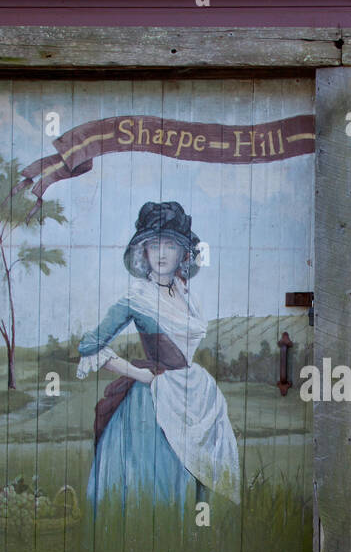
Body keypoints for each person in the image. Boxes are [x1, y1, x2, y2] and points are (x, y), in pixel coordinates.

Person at [76, 201, 240, 518]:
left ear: (183, 252)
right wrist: (144, 376)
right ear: (144, 251)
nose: (162, 253)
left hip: (194, 392)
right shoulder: (136, 297)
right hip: (152, 401)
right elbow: (89, 345)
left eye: (170, 245)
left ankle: (187, 539)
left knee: (192, 477)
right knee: (153, 480)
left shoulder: (184, 294)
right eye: (154, 245)